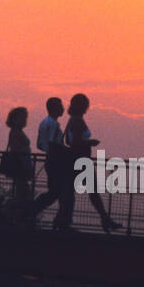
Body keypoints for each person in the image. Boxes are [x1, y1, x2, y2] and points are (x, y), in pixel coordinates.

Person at [55, 93, 122, 232]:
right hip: (81, 160)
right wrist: (90, 142)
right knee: (92, 193)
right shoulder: (78, 121)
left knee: (71, 192)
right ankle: (104, 220)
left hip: (75, 160)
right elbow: (75, 142)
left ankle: (62, 221)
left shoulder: (72, 120)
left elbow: (69, 141)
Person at [32, 97, 68, 224]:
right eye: (61, 105)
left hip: (51, 161)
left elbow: (40, 144)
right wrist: (66, 152)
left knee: (56, 192)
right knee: (59, 193)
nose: (63, 108)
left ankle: (32, 211)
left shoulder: (44, 123)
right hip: (56, 163)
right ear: (54, 108)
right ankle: (32, 211)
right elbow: (53, 144)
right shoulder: (53, 124)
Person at [0, 106, 33, 206]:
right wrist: (25, 165)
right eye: (22, 117)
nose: (24, 120)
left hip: (22, 165)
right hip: (20, 166)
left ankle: (11, 212)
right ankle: (6, 212)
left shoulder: (17, 131)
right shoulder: (16, 132)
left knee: (22, 192)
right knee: (22, 193)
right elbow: (15, 149)